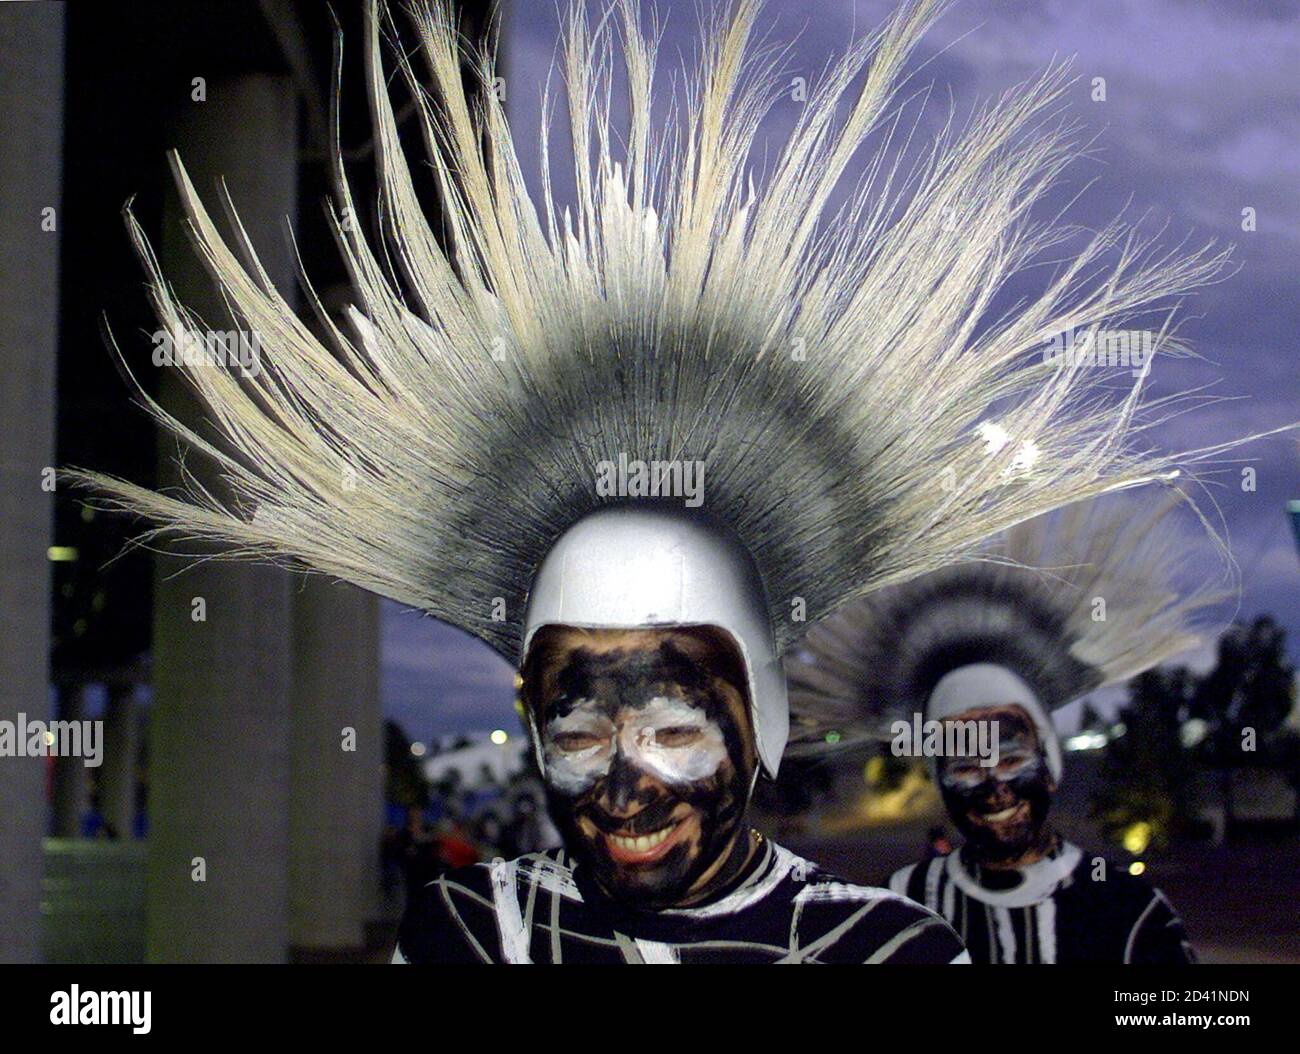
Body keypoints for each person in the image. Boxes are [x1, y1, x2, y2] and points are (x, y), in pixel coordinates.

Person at [74, 0, 1230, 962]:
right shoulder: (469, 933)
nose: (623, 786)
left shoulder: (887, 947)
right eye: (578, 730)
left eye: (676, 723)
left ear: (767, 720)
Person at [788, 498, 1211, 963]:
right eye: (966, 767)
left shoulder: (1130, 912)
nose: (995, 790)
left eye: (1011, 760)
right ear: (938, 778)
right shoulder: (899, 909)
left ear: (1049, 763)